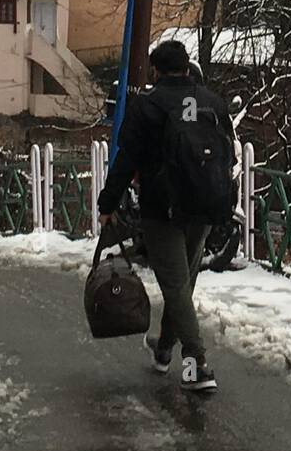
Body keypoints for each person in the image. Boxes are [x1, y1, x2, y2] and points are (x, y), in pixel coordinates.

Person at [97, 39, 235, 392]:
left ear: (156, 71)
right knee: (182, 285)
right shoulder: (214, 103)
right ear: (187, 67)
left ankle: (197, 364)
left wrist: (107, 204)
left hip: (163, 208)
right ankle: (162, 351)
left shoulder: (148, 106)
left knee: (175, 285)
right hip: (205, 205)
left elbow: (126, 160)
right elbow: (229, 157)